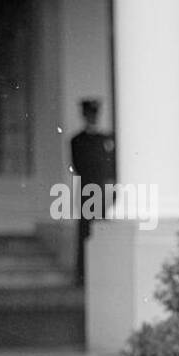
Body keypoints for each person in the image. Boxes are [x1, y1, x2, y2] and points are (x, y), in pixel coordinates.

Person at [68, 98, 115, 286]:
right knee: (86, 230)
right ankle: (83, 274)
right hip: (88, 190)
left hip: (104, 190)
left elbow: (110, 166)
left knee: (104, 229)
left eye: (94, 114)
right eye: (89, 114)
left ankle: (104, 271)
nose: (92, 118)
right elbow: (78, 166)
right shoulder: (77, 140)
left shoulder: (106, 139)